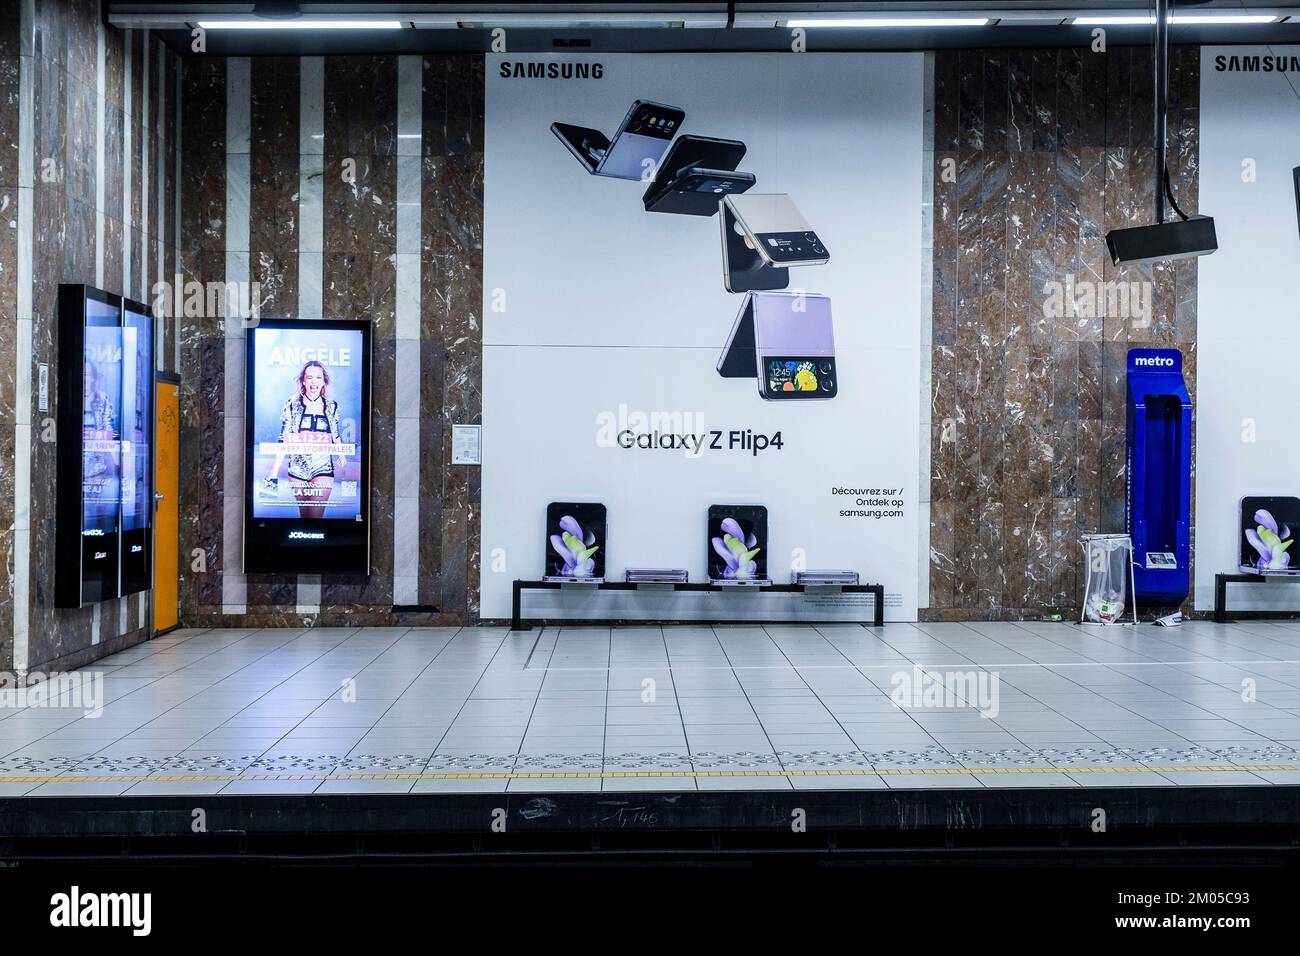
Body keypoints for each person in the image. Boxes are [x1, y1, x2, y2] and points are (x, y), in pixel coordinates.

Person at [262, 360, 344, 519]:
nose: (314, 382)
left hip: (323, 468)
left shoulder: (332, 406)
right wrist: (274, 471)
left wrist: (341, 455)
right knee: (305, 517)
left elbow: (335, 434)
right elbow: (284, 438)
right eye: (310, 377)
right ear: (303, 381)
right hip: (297, 470)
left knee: (314, 517)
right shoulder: (292, 405)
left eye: (318, 378)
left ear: (324, 381)